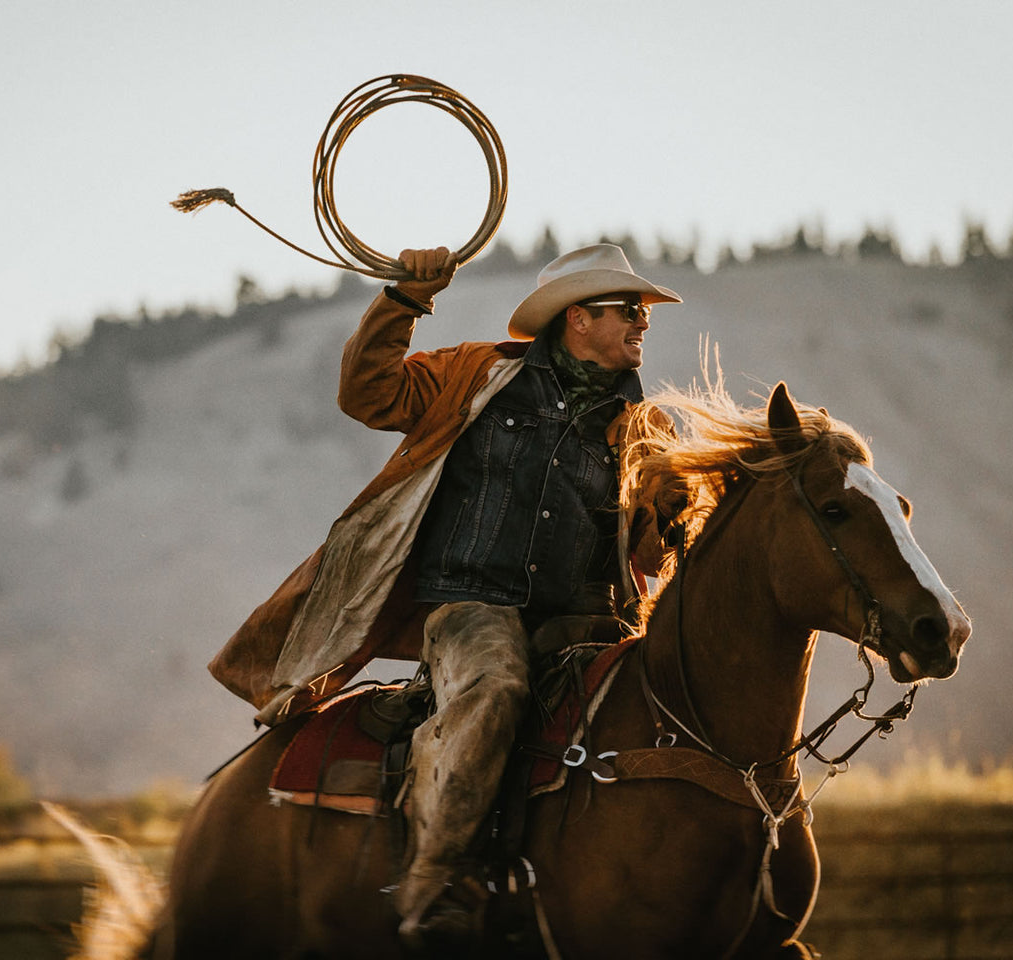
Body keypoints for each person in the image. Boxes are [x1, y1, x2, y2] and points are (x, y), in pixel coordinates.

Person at [207, 242, 682, 950]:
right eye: (629, 310)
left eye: (644, 312)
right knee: (494, 688)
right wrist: (403, 300)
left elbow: (652, 549)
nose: (644, 323)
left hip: (590, 620)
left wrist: (682, 512)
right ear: (578, 319)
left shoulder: (648, 430)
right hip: (469, 606)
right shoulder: (475, 375)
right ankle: (436, 883)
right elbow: (368, 394)